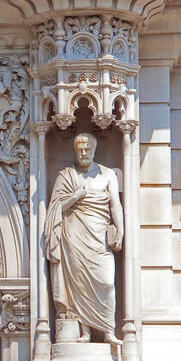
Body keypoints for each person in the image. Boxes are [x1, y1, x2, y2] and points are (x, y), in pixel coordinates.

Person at [45, 132, 123, 344]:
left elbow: (115, 204)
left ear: (94, 150)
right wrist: (75, 197)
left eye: (87, 149)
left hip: (99, 238)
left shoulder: (108, 175)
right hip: (75, 237)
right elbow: (55, 210)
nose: (83, 152)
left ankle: (109, 331)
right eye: (79, 149)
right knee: (79, 285)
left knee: (107, 283)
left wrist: (120, 229)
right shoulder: (67, 176)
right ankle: (86, 332)